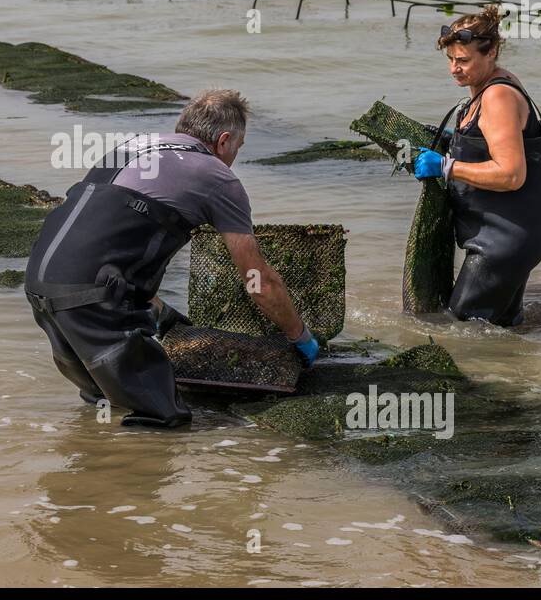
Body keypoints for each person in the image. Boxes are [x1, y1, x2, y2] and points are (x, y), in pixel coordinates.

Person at [25, 89, 320, 427]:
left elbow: (106, 239)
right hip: (91, 301)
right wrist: (300, 337)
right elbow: (259, 282)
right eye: (237, 148)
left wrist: (159, 310)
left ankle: (91, 467)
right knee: (166, 419)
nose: (234, 157)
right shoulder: (217, 177)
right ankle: (119, 474)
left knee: (105, 400)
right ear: (224, 141)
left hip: (41, 284)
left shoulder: (134, 146)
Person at [413, 5, 541, 327]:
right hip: (517, 233)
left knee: (462, 327)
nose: (454, 69)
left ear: (490, 52)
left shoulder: (498, 96)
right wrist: (458, 141)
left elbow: (511, 174)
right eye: (450, 60)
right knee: (500, 326)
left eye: (463, 61)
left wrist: (446, 167)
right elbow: (491, 140)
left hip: (503, 241)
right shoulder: (489, 84)